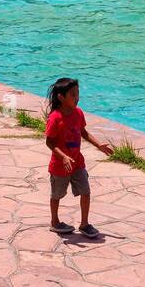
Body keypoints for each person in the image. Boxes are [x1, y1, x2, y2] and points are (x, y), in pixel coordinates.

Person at [44, 77, 114, 238]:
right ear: (61, 97)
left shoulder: (78, 113)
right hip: (60, 166)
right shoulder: (55, 118)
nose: (77, 98)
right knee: (57, 195)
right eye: (73, 95)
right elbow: (49, 142)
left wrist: (99, 145)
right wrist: (63, 157)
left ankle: (84, 224)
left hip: (77, 163)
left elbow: (83, 132)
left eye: (78, 94)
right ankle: (55, 222)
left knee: (86, 191)